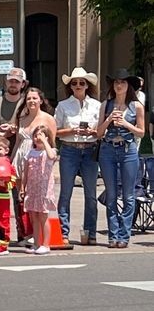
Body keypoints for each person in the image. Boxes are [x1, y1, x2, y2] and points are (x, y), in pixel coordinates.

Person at [97, 68, 146, 248]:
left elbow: (141, 133)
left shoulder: (136, 105)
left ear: (128, 86)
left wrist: (125, 123)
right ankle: (113, 234)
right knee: (111, 194)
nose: (119, 85)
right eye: (116, 82)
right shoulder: (106, 105)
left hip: (128, 150)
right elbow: (98, 133)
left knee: (128, 195)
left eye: (123, 82)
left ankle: (124, 235)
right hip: (108, 150)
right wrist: (109, 119)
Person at [54, 67, 101, 245]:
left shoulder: (97, 105)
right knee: (66, 193)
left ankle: (90, 233)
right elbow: (55, 131)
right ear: (70, 86)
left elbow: (101, 131)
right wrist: (72, 130)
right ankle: (63, 232)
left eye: (82, 82)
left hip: (90, 149)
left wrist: (93, 131)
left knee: (90, 194)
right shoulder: (63, 105)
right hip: (69, 149)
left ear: (87, 85)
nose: (78, 85)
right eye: (75, 83)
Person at [19, 126, 58, 255]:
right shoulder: (30, 153)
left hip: (44, 188)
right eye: (36, 136)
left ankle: (46, 244)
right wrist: (22, 187)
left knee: (43, 215)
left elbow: (52, 156)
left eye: (41, 135)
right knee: (33, 216)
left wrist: (45, 142)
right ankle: (36, 243)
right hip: (32, 188)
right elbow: (25, 171)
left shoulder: (49, 151)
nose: (38, 138)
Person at [0, 67, 28, 137]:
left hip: (20, 145)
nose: (13, 84)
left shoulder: (27, 104)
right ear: (6, 82)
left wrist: (15, 128)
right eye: (11, 81)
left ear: (23, 84)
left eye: (17, 82)